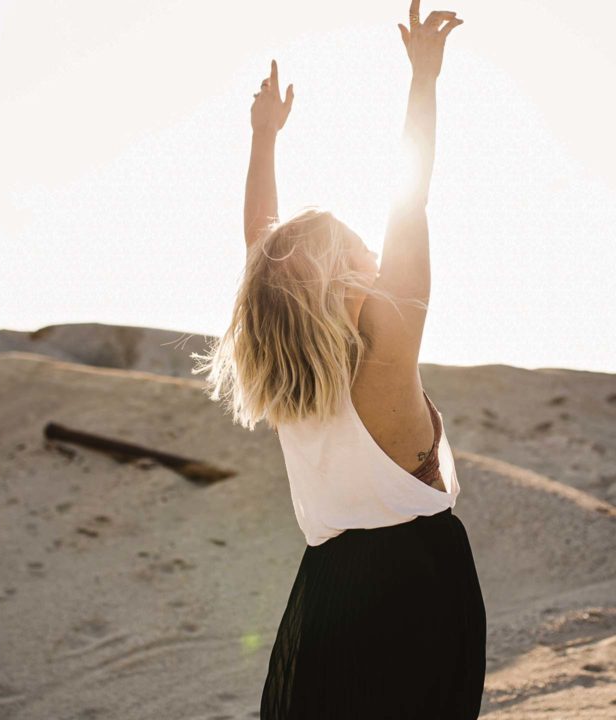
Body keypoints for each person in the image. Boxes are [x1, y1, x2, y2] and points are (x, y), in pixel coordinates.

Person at [190, 2, 486, 717]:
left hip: (323, 594)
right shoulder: (384, 354)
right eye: (362, 251)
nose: (377, 256)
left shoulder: (300, 385)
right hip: (415, 592)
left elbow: (262, 248)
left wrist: (262, 140)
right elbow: (410, 206)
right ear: (337, 275)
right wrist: (424, 80)